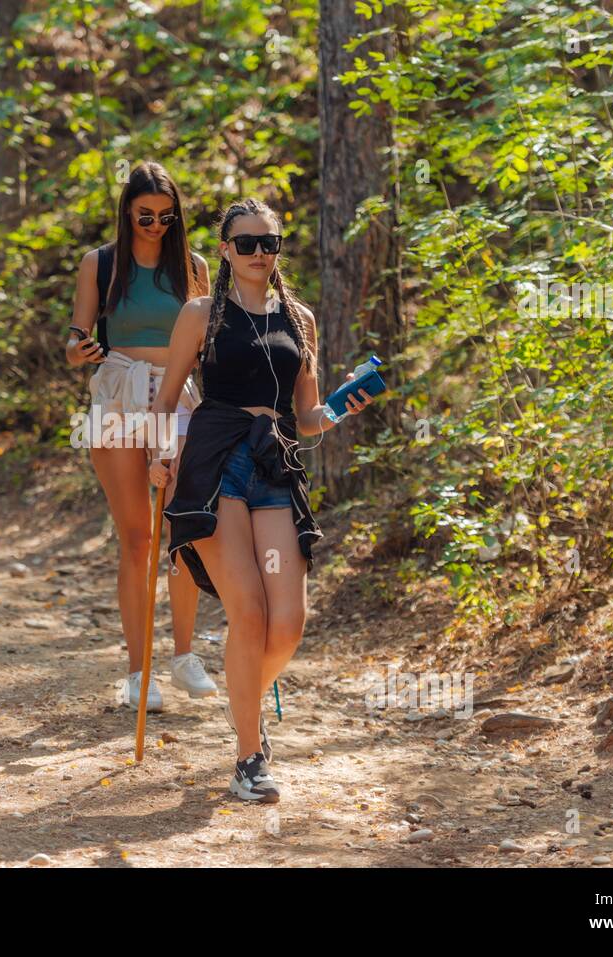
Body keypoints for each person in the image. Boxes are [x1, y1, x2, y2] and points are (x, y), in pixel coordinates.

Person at [148, 198, 375, 802]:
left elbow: (307, 415)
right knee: (247, 610)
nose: (258, 253)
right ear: (224, 250)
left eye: (268, 243)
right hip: (216, 460)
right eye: (245, 243)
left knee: (289, 623)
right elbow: (167, 398)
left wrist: (340, 408)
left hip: (274, 463)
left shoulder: (299, 319)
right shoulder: (202, 314)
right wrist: (159, 453)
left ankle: (239, 707)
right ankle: (249, 753)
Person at [65, 161, 216, 711]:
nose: (156, 224)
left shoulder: (193, 266)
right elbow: (75, 337)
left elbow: (209, 339)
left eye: (166, 216)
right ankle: (138, 671)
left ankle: (182, 657)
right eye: (145, 216)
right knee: (135, 537)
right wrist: (76, 349)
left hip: (176, 398)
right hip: (117, 393)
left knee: (183, 532)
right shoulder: (101, 264)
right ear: (127, 213)